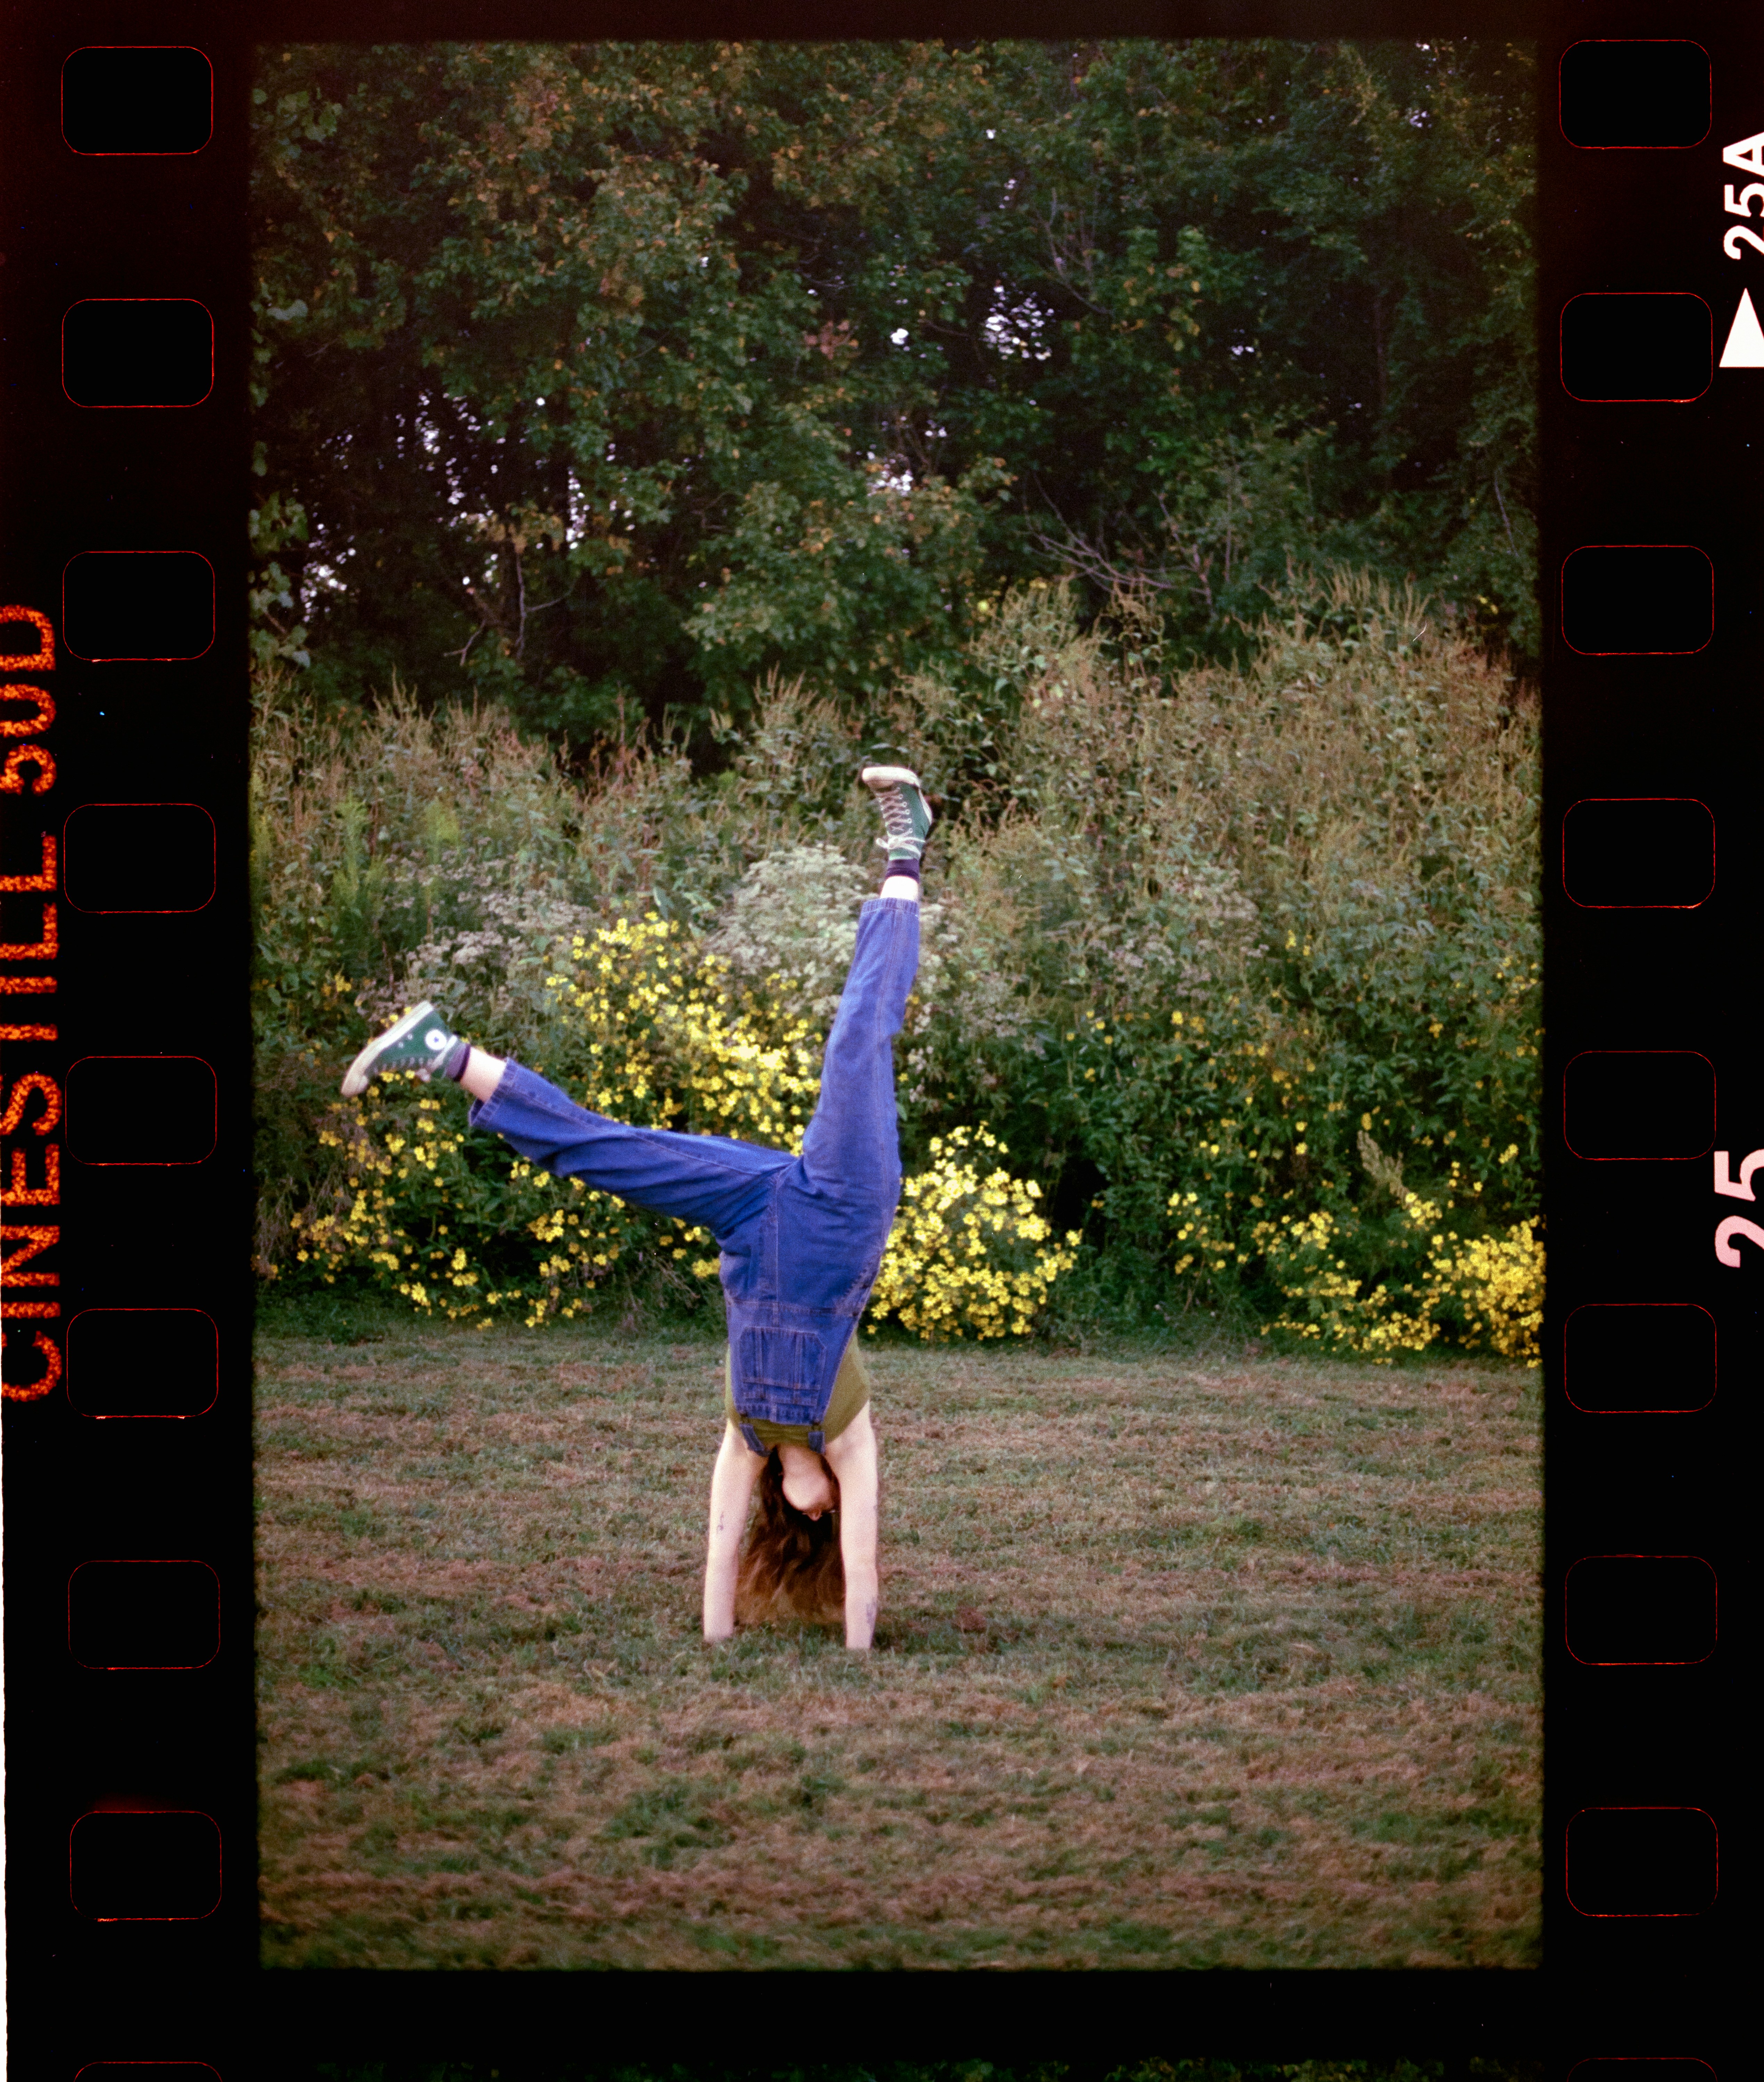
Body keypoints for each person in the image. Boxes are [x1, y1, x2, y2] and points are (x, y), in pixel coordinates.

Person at [339, 765, 936, 1653]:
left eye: (816, 1519)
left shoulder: (747, 1441)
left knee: (609, 1152)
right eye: (834, 1516)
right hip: (843, 1208)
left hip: (754, 1216)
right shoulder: (849, 1444)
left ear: (793, 1511)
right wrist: (859, 1649)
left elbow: (718, 1545)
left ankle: (443, 1049)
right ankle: (907, 846)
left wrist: (716, 1641)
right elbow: (867, 1566)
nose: (830, 1510)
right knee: (856, 1040)